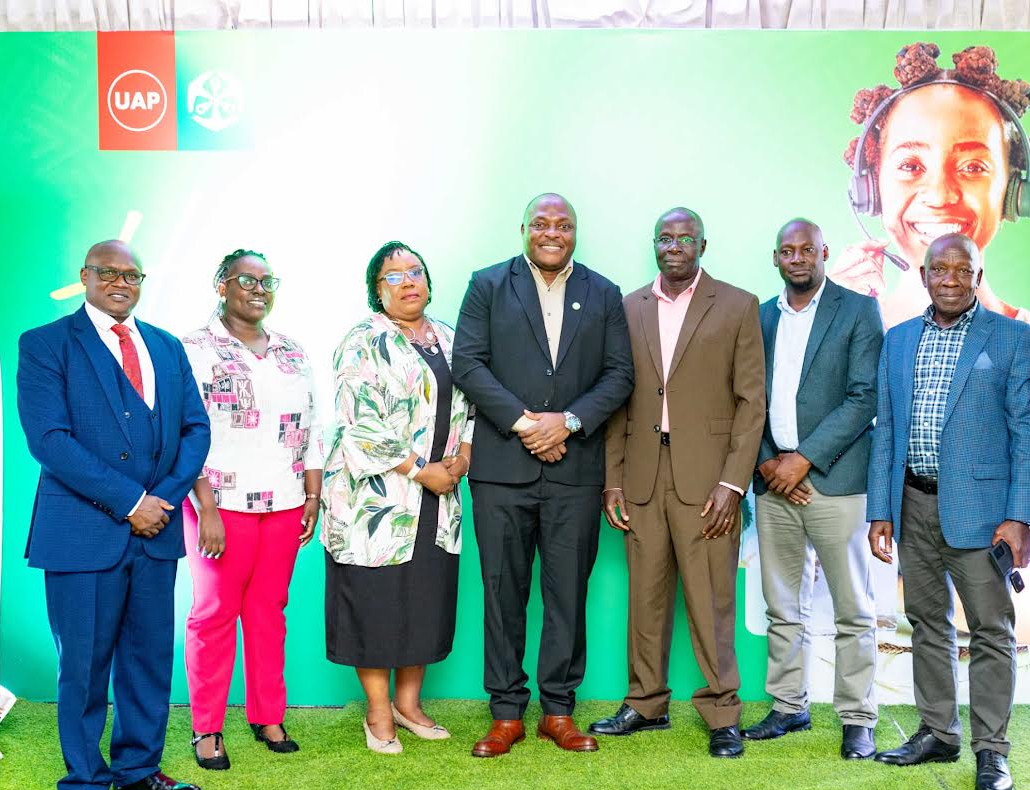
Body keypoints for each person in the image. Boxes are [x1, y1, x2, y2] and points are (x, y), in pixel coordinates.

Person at [17, 240, 210, 790]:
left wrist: (162, 500)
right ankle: (83, 782)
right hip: (81, 535)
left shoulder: (166, 347)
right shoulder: (46, 344)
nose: (121, 282)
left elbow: (195, 429)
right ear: (85, 276)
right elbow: (49, 440)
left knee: (148, 658)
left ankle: (139, 767)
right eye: (108, 272)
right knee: (83, 664)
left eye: (132, 275)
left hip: (156, 532)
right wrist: (131, 503)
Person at [451, 194, 633, 757]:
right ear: (524, 228)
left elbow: (619, 374)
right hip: (502, 470)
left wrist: (568, 423)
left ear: (575, 232)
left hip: (574, 471)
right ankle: (505, 714)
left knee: (567, 594)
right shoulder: (487, 285)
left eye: (564, 225)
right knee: (502, 593)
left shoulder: (603, 292)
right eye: (542, 224)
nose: (552, 233)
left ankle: (558, 711)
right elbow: (467, 363)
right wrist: (527, 424)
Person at [865, 232, 1030, 790]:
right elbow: (886, 429)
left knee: (991, 629)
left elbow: (1026, 432)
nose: (949, 279)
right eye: (939, 269)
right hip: (912, 503)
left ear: (978, 277)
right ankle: (938, 732)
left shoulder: (1011, 337)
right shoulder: (898, 339)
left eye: (962, 270)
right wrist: (880, 509)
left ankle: (992, 752)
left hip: (983, 513)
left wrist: (1019, 516)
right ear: (923, 276)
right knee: (926, 621)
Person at [590, 207, 765, 759]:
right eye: (665, 238)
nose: (674, 247)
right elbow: (618, 399)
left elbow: (751, 403)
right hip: (643, 475)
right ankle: (646, 703)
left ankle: (722, 712)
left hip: (709, 479)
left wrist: (733, 484)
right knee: (645, 597)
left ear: (702, 246)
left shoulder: (737, 305)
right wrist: (613, 480)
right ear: (654, 245)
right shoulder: (629, 307)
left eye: (685, 239)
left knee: (712, 600)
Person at [322, 241, 473, 755]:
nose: (408, 282)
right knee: (376, 603)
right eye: (393, 275)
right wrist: (419, 470)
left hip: (438, 498)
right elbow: (359, 422)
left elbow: (471, 406)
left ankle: (409, 704)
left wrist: (463, 456)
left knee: (424, 599)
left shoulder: (450, 338)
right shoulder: (362, 341)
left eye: (416, 272)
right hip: (377, 500)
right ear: (376, 289)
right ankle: (379, 710)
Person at [743, 219, 884, 760]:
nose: (798, 258)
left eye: (807, 249)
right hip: (773, 481)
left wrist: (803, 461)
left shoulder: (858, 310)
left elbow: (864, 396)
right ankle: (787, 705)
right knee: (782, 604)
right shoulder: (760, 317)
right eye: (788, 250)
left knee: (853, 608)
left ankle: (857, 716)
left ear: (824, 252)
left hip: (836, 481)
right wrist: (768, 463)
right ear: (775, 258)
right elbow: (746, 398)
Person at [181, 249, 323, 770]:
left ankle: (268, 716)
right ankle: (207, 727)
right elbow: (183, 431)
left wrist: (312, 496)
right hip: (219, 504)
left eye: (268, 281)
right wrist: (206, 507)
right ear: (222, 285)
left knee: (267, 610)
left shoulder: (291, 351)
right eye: (247, 280)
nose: (259, 289)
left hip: (285, 502)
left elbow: (312, 425)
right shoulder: (193, 349)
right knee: (215, 613)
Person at [834, 42, 1030, 348]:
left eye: (973, 167)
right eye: (911, 166)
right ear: (872, 186)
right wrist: (826, 329)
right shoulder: (842, 333)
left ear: (1012, 190)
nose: (940, 196)